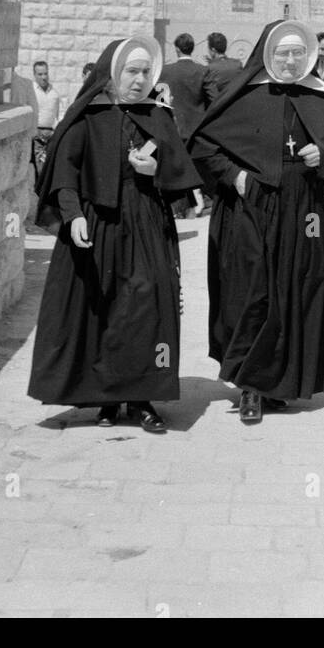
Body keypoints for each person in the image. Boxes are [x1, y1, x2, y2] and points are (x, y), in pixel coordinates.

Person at [188, 20, 324, 425]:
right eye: (282, 53)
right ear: (268, 54)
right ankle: (250, 385)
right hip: (253, 206)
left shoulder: (319, 94)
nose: (289, 60)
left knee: (296, 289)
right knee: (254, 291)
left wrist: (323, 152)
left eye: (297, 53)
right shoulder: (244, 94)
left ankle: (282, 383)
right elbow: (202, 145)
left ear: (309, 56)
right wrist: (236, 176)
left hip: (303, 207)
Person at [28, 37, 201, 432]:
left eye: (146, 72)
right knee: (103, 308)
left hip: (146, 223)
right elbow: (64, 173)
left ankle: (142, 398)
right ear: (112, 73)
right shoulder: (88, 114)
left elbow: (179, 175)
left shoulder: (158, 116)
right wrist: (72, 215)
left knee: (145, 306)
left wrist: (153, 172)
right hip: (97, 223)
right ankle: (106, 398)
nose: (140, 80)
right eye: (132, 72)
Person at [160, 33, 210, 216]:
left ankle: (182, 207)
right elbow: (213, 100)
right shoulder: (203, 71)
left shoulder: (165, 71)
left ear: (177, 48)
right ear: (193, 48)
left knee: (177, 167)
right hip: (197, 128)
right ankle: (201, 201)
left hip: (174, 126)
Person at [30, 59, 66, 191]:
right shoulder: (32, 92)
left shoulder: (54, 92)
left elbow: (59, 113)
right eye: (40, 74)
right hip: (36, 135)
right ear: (34, 74)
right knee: (39, 169)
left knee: (49, 167)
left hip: (51, 135)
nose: (44, 77)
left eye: (45, 73)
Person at [202, 31, 244, 106]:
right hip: (236, 105)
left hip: (219, 108)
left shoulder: (209, 68)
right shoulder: (237, 64)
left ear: (213, 50)